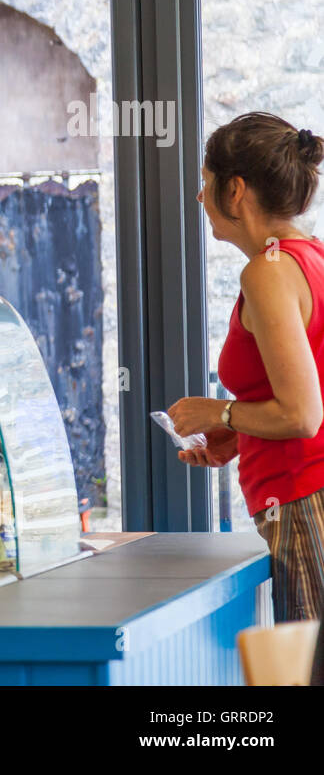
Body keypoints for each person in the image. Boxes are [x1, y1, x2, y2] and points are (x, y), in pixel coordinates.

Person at [169, 112, 324, 622]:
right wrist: (238, 435)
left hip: (304, 503)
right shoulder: (309, 258)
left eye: (206, 182)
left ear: (235, 192)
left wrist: (222, 413)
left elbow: (303, 416)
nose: (199, 196)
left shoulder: (268, 273)